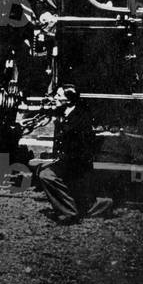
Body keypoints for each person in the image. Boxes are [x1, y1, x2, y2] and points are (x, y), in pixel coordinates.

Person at [35, 86, 114, 224]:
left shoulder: (81, 119)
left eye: (59, 96)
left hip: (76, 162)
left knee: (46, 175)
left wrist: (57, 162)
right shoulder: (63, 113)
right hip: (67, 159)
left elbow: (82, 149)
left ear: (69, 100)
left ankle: (69, 213)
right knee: (41, 170)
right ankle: (102, 205)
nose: (55, 98)